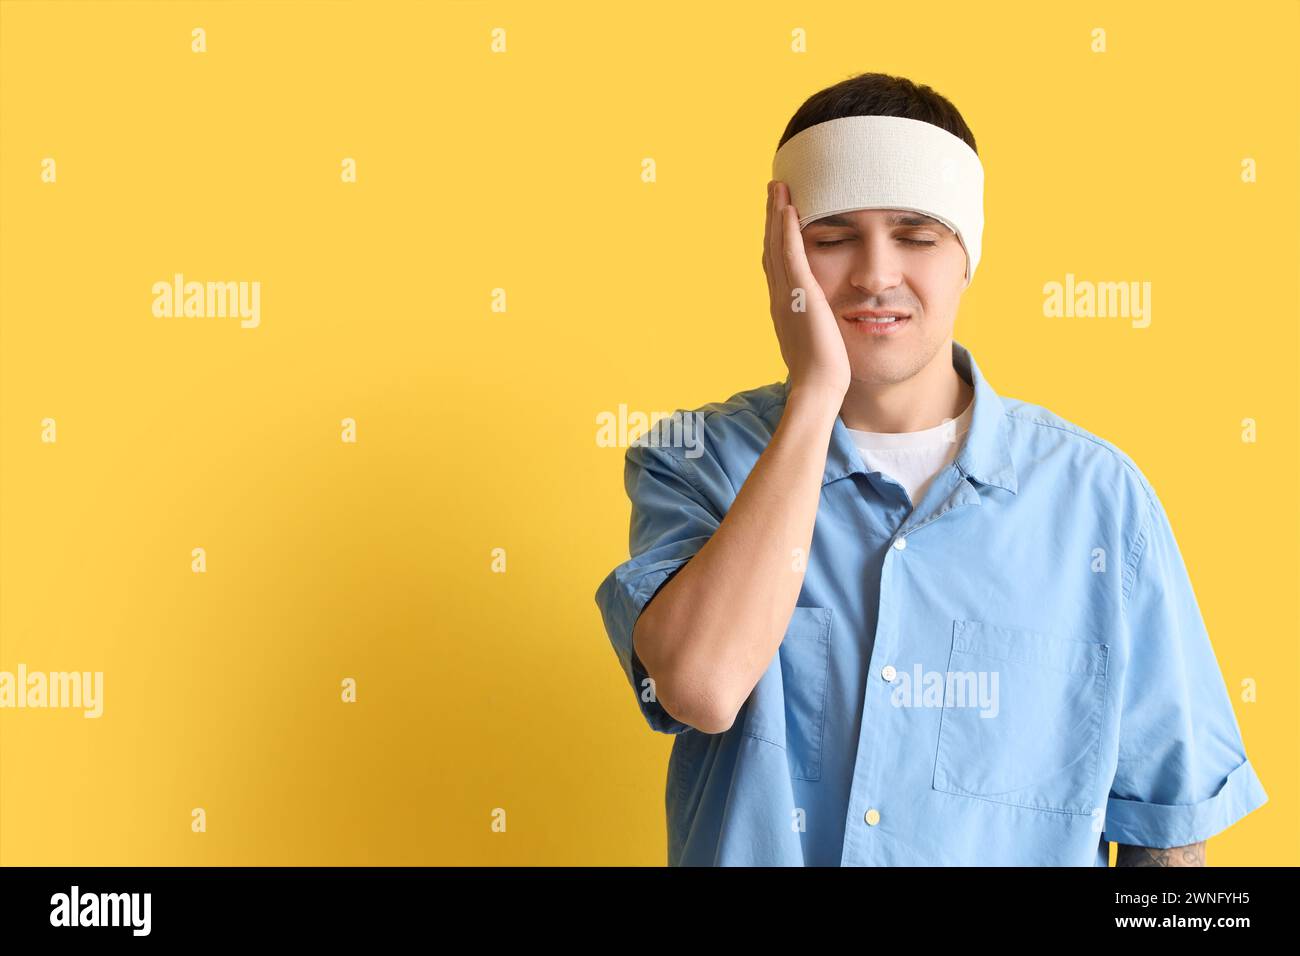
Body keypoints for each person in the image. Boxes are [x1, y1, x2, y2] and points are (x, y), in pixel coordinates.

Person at [593, 72, 1268, 866]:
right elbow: (701, 688)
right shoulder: (695, 459)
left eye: (916, 234)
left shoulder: (1101, 502)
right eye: (833, 236)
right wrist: (816, 393)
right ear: (783, 262)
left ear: (966, 257)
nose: (877, 275)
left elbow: (1167, 836)